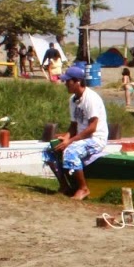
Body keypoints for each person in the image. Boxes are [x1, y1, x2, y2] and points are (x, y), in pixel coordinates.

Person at [44, 65, 108, 199]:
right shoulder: (72, 100)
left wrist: (70, 142)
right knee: (49, 150)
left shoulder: (91, 99)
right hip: (80, 138)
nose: (65, 84)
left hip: (95, 138)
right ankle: (64, 185)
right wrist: (65, 137)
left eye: (68, 81)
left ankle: (83, 188)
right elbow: (73, 125)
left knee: (71, 150)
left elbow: (92, 128)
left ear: (77, 81)